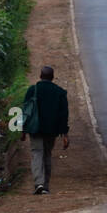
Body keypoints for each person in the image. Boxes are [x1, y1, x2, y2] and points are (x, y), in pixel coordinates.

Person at [21, 65, 69, 195]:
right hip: (52, 130)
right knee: (47, 155)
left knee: (37, 154)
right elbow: (64, 115)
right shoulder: (59, 92)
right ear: (52, 77)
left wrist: (23, 130)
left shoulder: (33, 90)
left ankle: (39, 183)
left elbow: (25, 111)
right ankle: (45, 186)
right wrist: (65, 134)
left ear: (40, 76)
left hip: (35, 129)